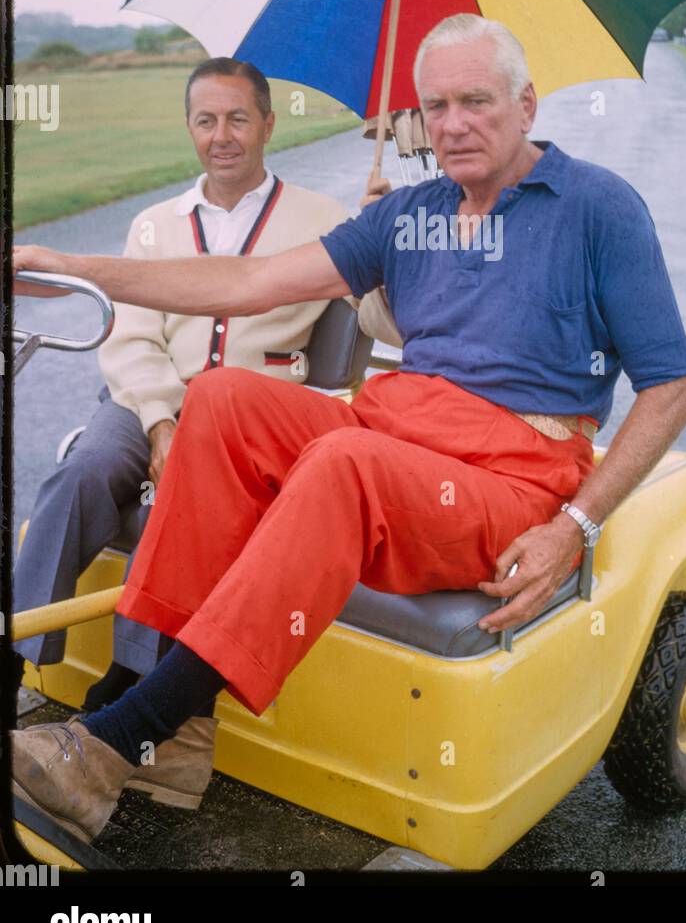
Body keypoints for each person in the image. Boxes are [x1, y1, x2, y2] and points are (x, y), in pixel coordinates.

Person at [10, 13, 686, 845]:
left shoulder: (600, 207)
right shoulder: (408, 213)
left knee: (345, 458)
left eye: (475, 100)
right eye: (434, 105)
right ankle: (175, 740)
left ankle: (115, 741)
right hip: (402, 428)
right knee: (224, 396)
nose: (452, 124)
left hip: (512, 473)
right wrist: (75, 267)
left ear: (526, 105)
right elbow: (247, 281)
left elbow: (672, 389)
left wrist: (573, 526)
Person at [11, 56, 400, 717]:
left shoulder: (327, 217)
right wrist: (162, 421)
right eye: (206, 120)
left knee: (179, 499)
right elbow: (129, 337)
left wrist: (386, 244)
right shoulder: (153, 224)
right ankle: (17, 650)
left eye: (238, 118)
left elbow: (383, 322)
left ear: (269, 124)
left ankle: (129, 686)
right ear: (189, 128)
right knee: (85, 472)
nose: (222, 135)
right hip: (144, 400)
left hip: (245, 423)